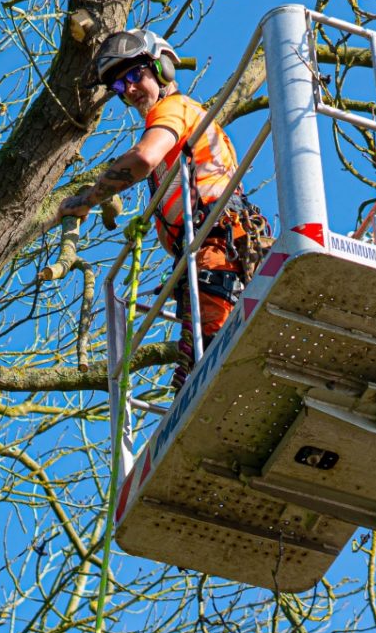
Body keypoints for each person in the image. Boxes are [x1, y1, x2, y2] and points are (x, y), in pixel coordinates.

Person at [58, 29, 268, 388]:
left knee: (213, 365)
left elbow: (143, 158)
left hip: (215, 245)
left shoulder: (172, 109)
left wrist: (87, 200)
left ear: (162, 68)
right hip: (205, 251)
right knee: (202, 362)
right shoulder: (186, 117)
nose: (129, 90)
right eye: (119, 86)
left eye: (134, 75)